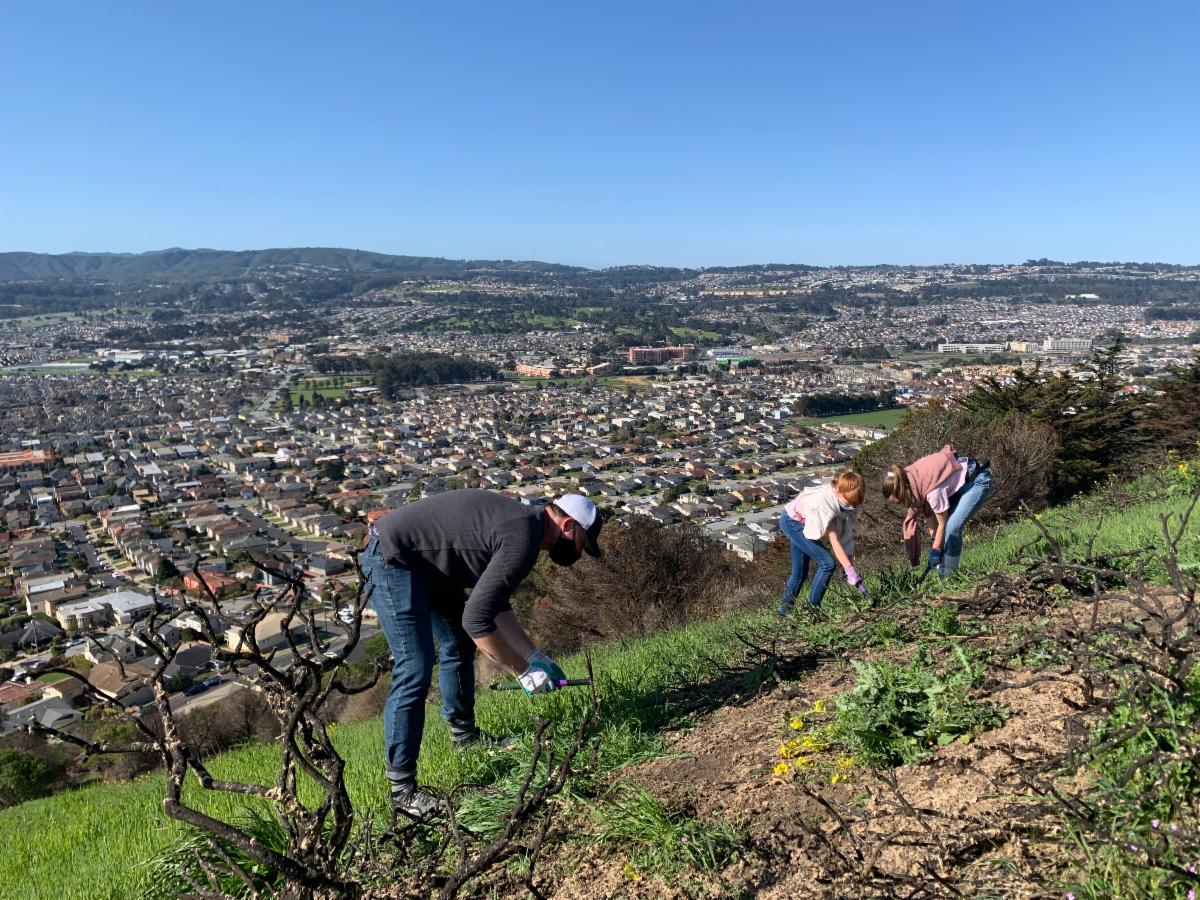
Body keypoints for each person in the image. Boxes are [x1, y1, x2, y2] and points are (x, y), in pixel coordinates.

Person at [362, 489, 602, 820]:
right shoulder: (522, 537)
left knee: (457, 642)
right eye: (583, 545)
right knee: (415, 666)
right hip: (394, 559)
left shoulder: (526, 527)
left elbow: (495, 604)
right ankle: (402, 791)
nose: (579, 554)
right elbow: (477, 621)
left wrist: (535, 656)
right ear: (569, 526)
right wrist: (523, 671)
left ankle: (465, 739)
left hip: (425, 563)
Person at [881, 445, 993, 577]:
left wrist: (935, 550)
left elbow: (943, 524)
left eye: (899, 501)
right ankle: (942, 571)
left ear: (903, 492)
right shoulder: (911, 480)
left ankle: (949, 577)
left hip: (978, 480)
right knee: (942, 535)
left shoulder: (931, 492)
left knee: (952, 528)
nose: (901, 504)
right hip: (962, 482)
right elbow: (933, 526)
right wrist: (936, 546)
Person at [778, 470, 866, 616]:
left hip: (801, 520)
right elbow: (834, 539)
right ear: (837, 490)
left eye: (852, 504)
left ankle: (783, 613)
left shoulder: (846, 503)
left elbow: (846, 532)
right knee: (827, 564)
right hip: (792, 522)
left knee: (799, 572)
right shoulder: (824, 503)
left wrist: (848, 561)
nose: (849, 507)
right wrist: (848, 568)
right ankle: (813, 610)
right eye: (846, 502)